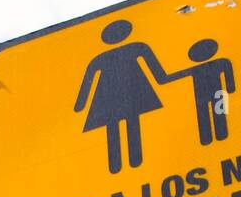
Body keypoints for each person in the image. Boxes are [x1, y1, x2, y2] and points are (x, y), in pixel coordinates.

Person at [74, 19, 173, 173]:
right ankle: (122, 164)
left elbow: (155, 69)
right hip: (116, 94)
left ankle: (131, 161)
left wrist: (80, 105)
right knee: (120, 126)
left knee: (127, 124)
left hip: (121, 92)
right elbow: (88, 82)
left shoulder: (131, 49)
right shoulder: (131, 49)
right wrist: (79, 105)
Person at [168, 38, 235, 145]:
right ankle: (207, 138)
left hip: (214, 94)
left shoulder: (221, 62)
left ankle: (219, 135)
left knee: (217, 113)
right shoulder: (198, 68)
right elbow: (179, 75)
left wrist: (230, 88)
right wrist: (230, 88)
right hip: (202, 95)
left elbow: (228, 73)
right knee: (205, 115)